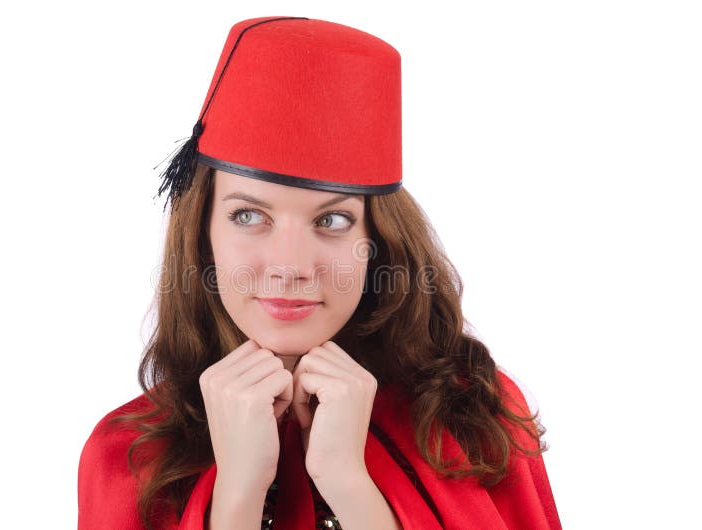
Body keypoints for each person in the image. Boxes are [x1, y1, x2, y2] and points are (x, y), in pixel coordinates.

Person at [77, 16, 562, 530]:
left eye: (331, 220)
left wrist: (347, 482)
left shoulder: (471, 415)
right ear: (203, 235)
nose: (290, 267)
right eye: (249, 216)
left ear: (375, 241)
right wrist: (239, 494)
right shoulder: (126, 458)